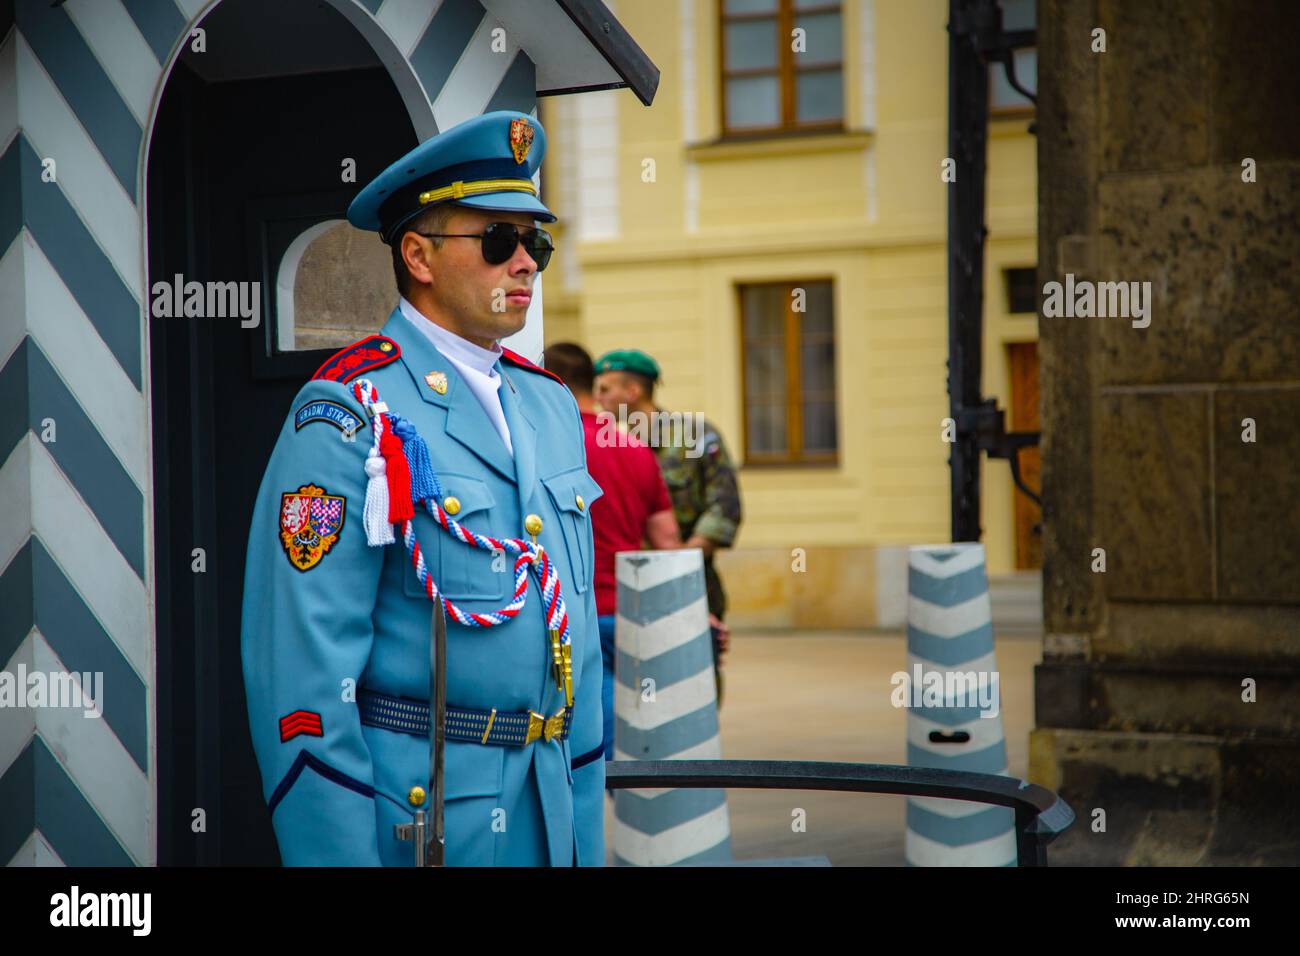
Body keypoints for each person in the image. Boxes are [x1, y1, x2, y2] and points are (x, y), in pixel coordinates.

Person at [240, 110, 606, 867]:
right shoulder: (349, 410)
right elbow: (303, 675)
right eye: (498, 241)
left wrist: (584, 830)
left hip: (550, 812)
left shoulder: (550, 404)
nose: (527, 264)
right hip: (426, 822)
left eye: (535, 242)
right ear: (419, 255)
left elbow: (580, 647)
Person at [542, 342, 679, 763]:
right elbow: (667, 540)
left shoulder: (546, 450)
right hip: (634, 609)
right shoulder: (635, 449)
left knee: (598, 755)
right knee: (647, 735)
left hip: (574, 615)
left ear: (553, 386)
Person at [592, 350, 741, 703]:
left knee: (691, 685)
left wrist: (678, 563)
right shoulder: (609, 443)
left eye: (605, 389)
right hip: (624, 587)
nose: (598, 398)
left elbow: (725, 506)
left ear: (632, 392)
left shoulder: (694, 436)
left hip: (688, 581)